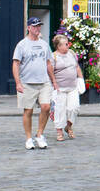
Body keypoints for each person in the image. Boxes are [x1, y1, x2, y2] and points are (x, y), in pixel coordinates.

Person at [13, 17, 53, 150]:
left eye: (39, 26)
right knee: (28, 110)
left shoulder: (44, 44)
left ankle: (40, 134)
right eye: (35, 26)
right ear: (29, 28)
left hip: (44, 81)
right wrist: (18, 82)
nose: (37, 28)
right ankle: (29, 138)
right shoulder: (22, 45)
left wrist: (54, 81)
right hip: (27, 82)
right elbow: (16, 63)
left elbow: (48, 62)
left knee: (46, 107)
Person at [50, 34, 84, 141]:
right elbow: (50, 71)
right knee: (59, 110)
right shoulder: (53, 56)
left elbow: (77, 66)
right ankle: (59, 132)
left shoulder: (72, 53)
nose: (68, 45)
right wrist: (54, 83)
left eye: (67, 43)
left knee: (74, 108)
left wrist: (81, 79)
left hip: (73, 86)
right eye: (65, 44)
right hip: (60, 88)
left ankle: (68, 126)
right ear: (58, 46)